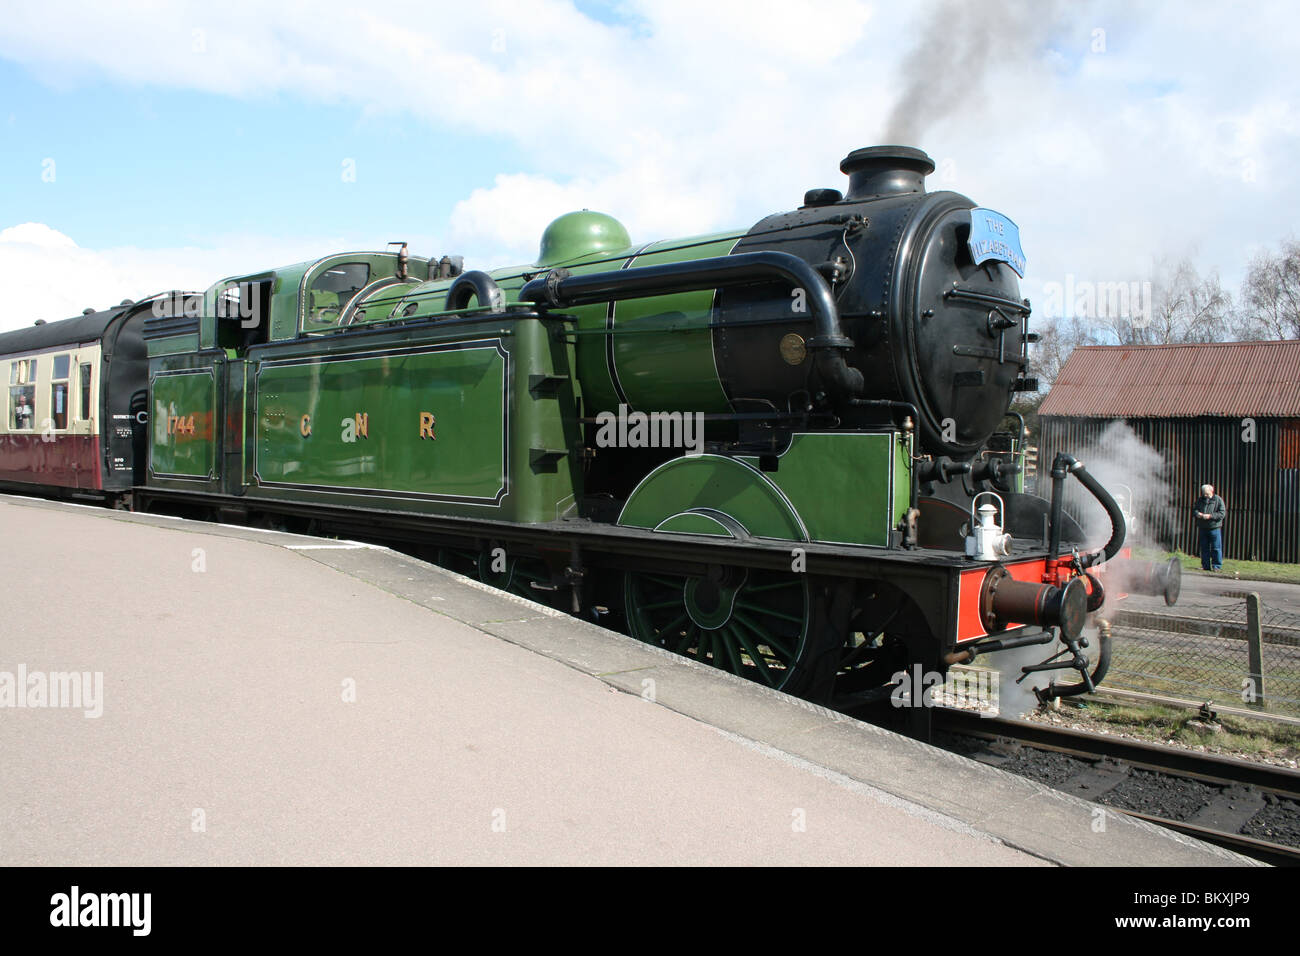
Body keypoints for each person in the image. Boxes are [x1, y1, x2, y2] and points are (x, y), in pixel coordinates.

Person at [1193, 483, 1226, 571]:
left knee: (1216, 548)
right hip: (1203, 528)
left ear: (1212, 491)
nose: (1205, 495)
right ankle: (1205, 566)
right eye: (1204, 493)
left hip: (1214, 528)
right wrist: (1198, 514)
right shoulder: (1200, 500)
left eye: (1207, 494)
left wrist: (1210, 516)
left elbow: (1222, 513)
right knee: (1204, 548)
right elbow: (1195, 510)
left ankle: (1216, 566)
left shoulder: (1218, 500)